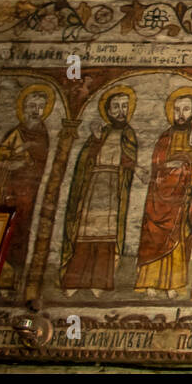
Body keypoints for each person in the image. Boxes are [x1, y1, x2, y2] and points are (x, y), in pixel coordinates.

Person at [61, 88, 137, 295]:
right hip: (93, 188)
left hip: (114, 189)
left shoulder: (128, 134)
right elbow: (84, 161)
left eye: (124, 106)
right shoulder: (99, 133)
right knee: (84, 232)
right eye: (116, 107)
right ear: (108, 111)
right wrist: (95, 139)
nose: (121, 111)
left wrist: (132, 167)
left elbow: (129, 159)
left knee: (108, 235)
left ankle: (100, 282)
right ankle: (74, 279)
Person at [135, 92, 192, 298]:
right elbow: (156, 166)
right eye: (177, 109)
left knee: (177, 237)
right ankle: (149, 281)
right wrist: (173, 164)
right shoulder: (165, 137)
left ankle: (172, 284)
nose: (181, 114)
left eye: (186, 109)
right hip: (160, 197)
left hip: (182, 198)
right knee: (155, 235)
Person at [0, 87, 51, 292]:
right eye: (32, 106)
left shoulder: (42, 136)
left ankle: (10, 281)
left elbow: (38, 163)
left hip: (25, 192)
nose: (36, 111)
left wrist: (25, 155)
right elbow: (2, 156)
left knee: (18, 231)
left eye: (40, 107)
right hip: (3, 187)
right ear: (23, 107)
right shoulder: (14, 132)